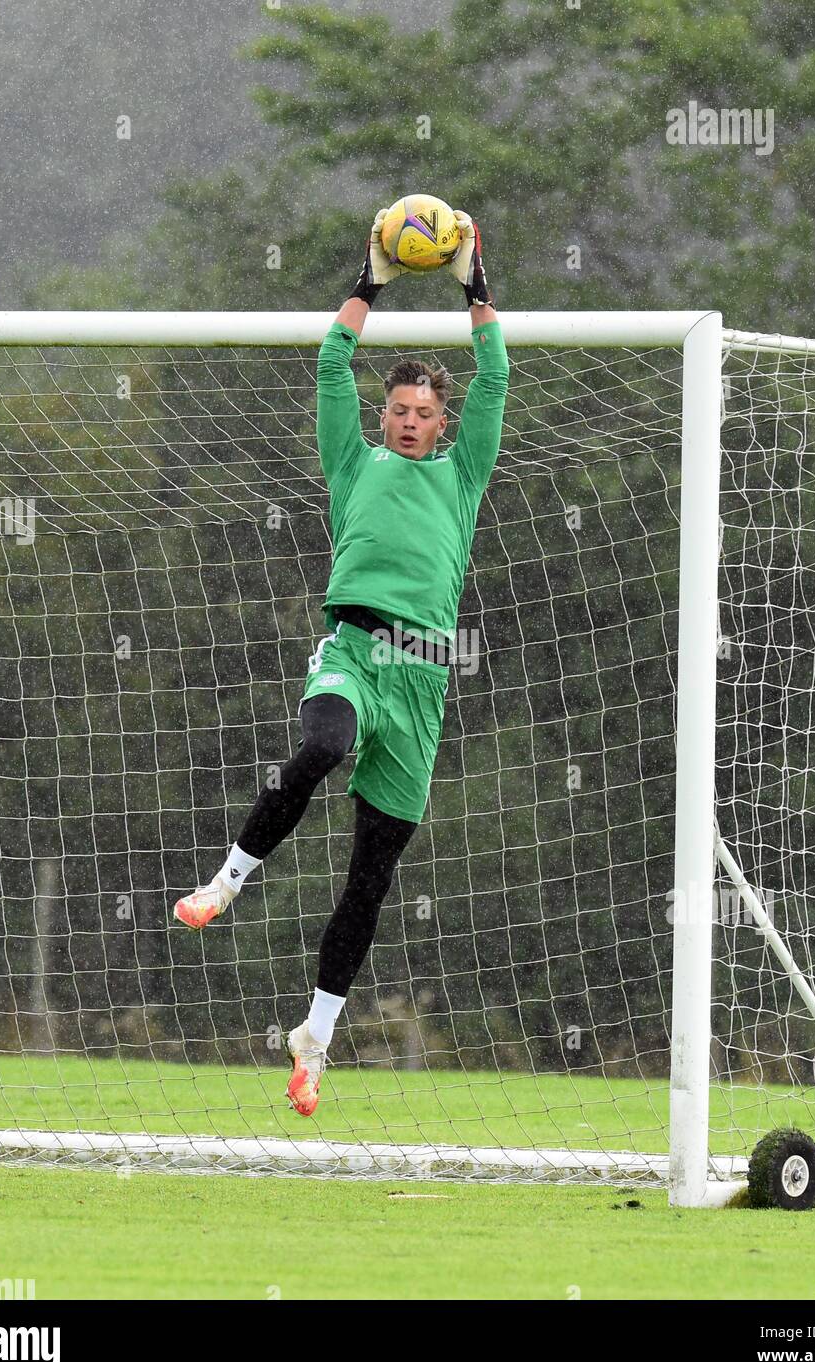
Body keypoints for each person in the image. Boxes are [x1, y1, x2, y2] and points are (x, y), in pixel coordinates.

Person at [173, 207, 509, 1115]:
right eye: (396, 410)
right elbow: (328, 361)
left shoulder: (462, 472)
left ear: (442, 425)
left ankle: (313, 1040)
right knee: (320, 745)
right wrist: (373, 280)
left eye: (421, 413)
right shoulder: (352, 464)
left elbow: (498, 374)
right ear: (382, 417)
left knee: (370, 876)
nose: (407, 422)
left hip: (425, 677)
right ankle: (226, 881)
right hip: (356, 652)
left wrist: (472, 281)